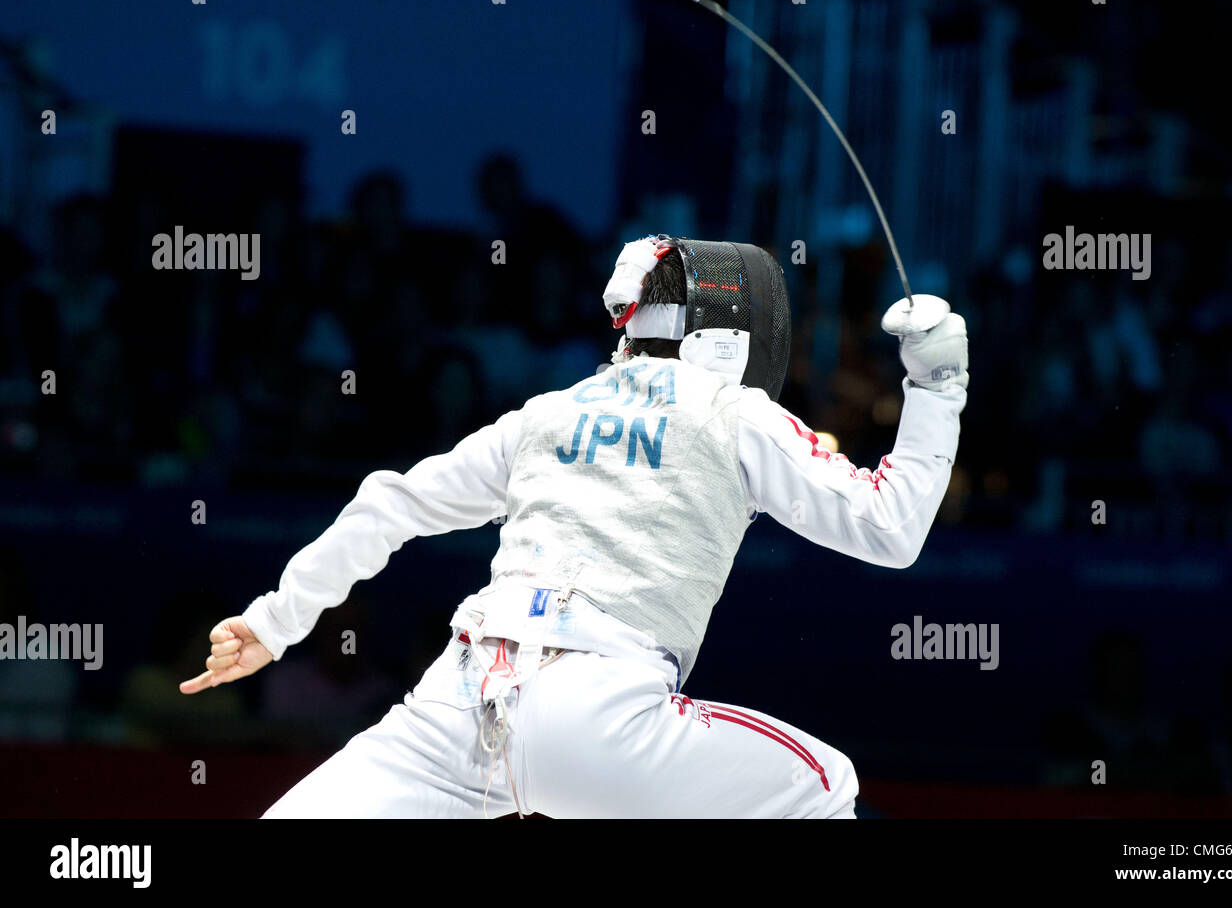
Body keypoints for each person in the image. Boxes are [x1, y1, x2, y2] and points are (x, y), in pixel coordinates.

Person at [179, 235, 969, 818]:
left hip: (458, 709)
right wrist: (936, 385)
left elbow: (390, 503)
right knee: (825, 788)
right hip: (605, 717)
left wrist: (272, 623)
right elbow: (891, 530)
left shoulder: (548, 413)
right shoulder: (737, 414)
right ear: (728, 334)